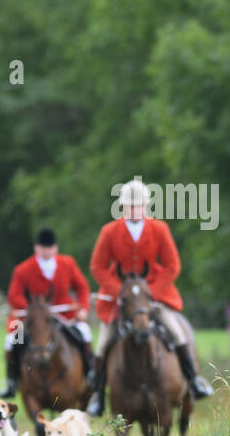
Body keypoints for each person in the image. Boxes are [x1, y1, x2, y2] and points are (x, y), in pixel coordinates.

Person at [87, 177, 214, 416]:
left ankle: (194, 380)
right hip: (120, 301)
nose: (134, 210)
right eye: (130, 206)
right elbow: (98, 267)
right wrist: (120, 292)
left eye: (139, 205)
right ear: (123, 207)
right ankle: (98, 396)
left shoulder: (159, 229)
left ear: (146, 206)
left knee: (176, 331)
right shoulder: (109, 231)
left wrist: (150, 293)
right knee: (103, 343)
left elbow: (172, 265)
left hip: (154, 298)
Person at [0, 228, 93, 398]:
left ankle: (90, 375)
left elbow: (82, 287)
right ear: (36, 248)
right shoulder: (22, 270)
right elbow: (14, 296)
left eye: (50, 247)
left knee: (85, 333)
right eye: (43, 247)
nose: (47, 251)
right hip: (29, 317)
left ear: (55, 249)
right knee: (11, 339)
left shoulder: (68, 264)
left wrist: (83, 308)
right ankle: (11, 381)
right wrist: (33, 309)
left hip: (63, 314)